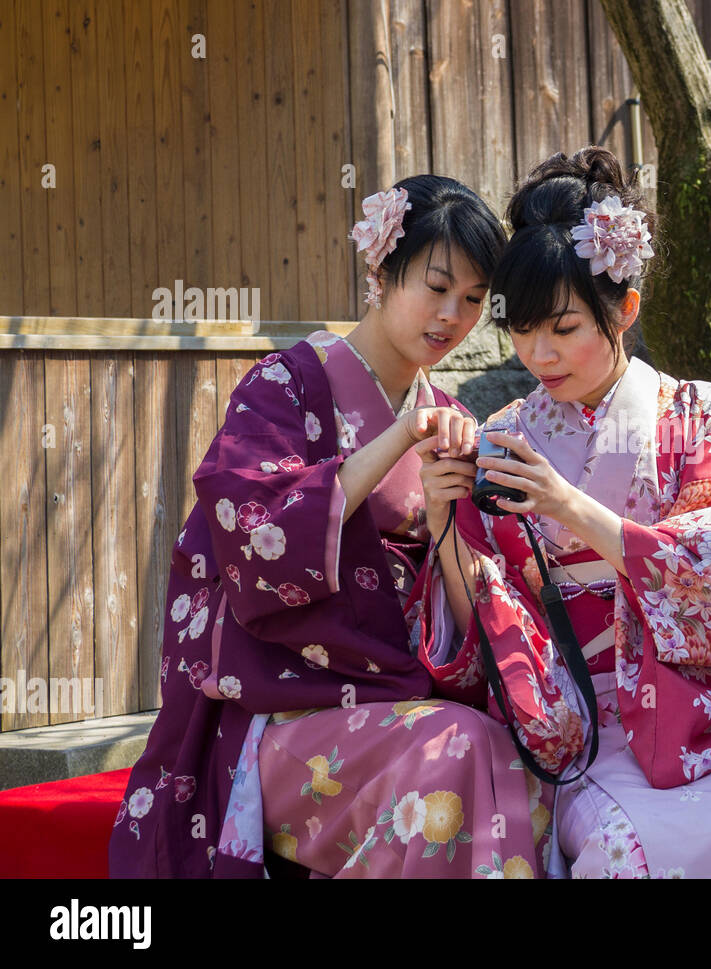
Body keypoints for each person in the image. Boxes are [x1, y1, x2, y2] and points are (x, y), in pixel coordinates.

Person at [110, 176, 549, 878]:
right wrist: (398, 439)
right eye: (435, 287)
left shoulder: (444, 413)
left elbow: (455, 608)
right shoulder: (284, 387)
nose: (451, 315)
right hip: (283, 714)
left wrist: (443, 524)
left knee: (512, 756)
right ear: (378, 272)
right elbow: (256, 542)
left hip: (396, 698)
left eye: (471, 299)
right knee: (455, 749)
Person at [416, 147, 711, 878]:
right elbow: (490, 629)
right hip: (580, 725)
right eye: (522, 328)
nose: (538, 352)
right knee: (637, 849)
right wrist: (446, 525)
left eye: (563, 327)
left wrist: (569, 506)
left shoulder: (700, 415)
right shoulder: (503, 436)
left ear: (626, 307)